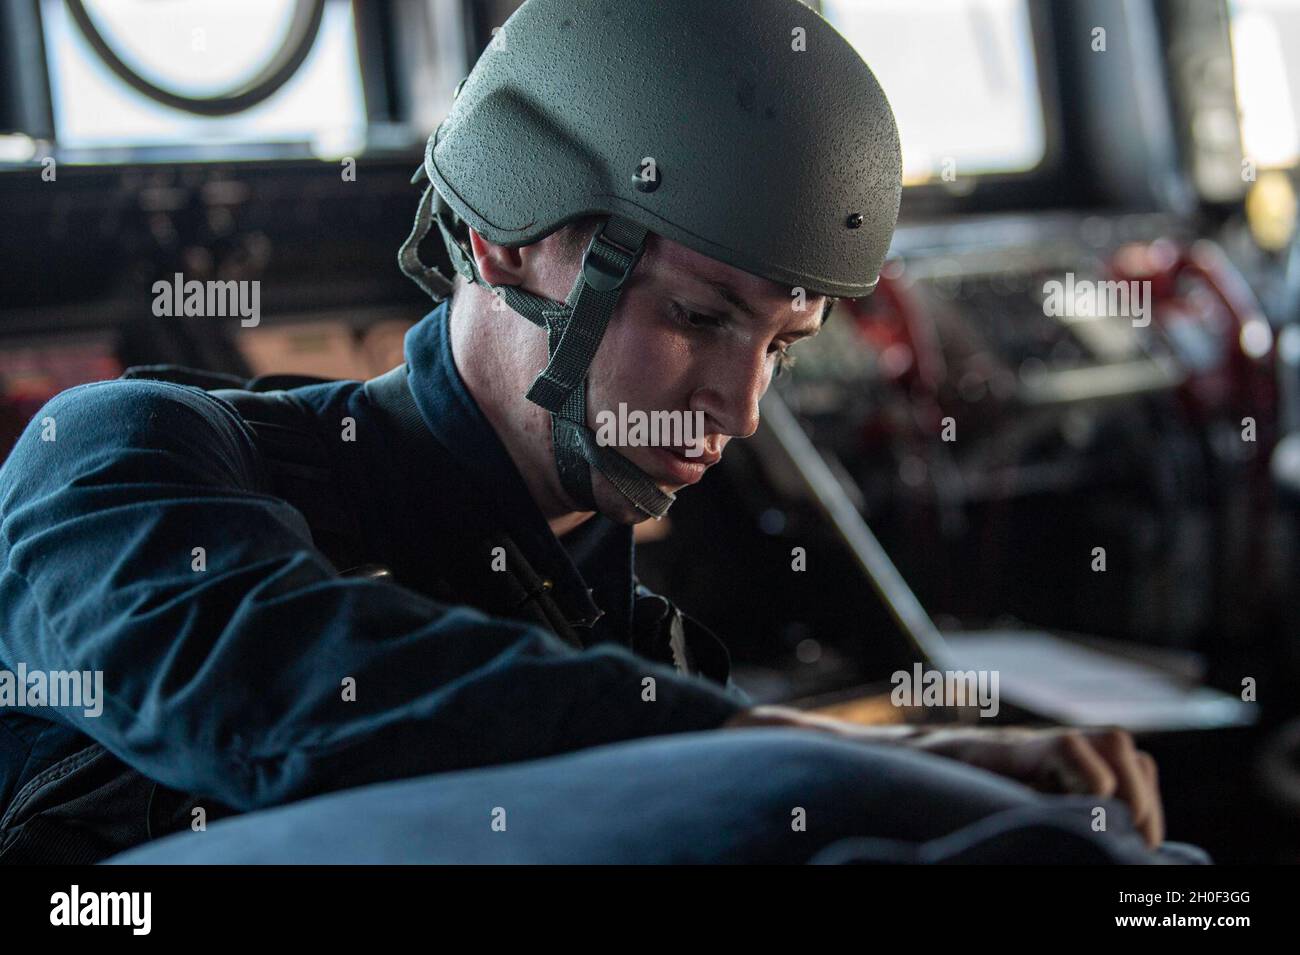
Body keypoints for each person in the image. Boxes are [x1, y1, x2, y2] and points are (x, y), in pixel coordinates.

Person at [0, 0, 1203, 864]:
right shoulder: (128, 457)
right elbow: (278, 701)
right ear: (503, 239)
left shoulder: (662, 665)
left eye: (782, 345)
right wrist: (795, 761)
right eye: (694, 315)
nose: (738, 409)